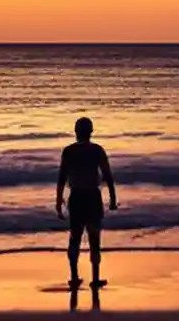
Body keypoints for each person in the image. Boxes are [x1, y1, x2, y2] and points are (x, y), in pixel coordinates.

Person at [56, 116, 117, 289]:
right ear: (90, 132)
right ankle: (95, 277)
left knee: (74, 238)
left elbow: (62, 178)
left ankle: (74, 276)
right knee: (94, 238)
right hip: (92, 196)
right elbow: (107, 175)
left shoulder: (69, 151)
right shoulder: (97, 150)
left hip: (76, 197)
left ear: (76, 132)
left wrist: (59, 200)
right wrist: (112, 198)